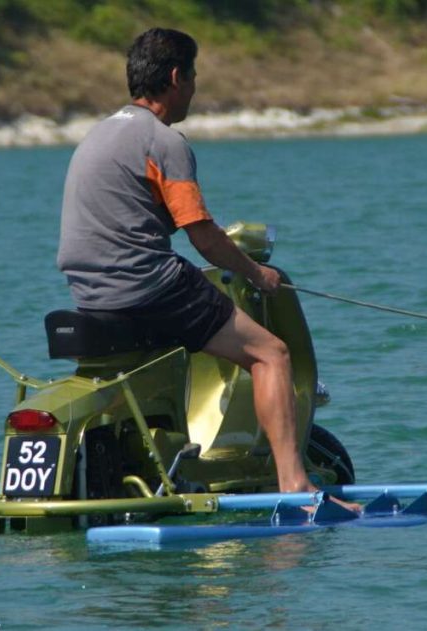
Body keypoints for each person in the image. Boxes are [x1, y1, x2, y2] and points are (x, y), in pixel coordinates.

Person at [57, 27, 359, 510]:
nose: (195, 89)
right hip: (147, 288)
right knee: (271, 355)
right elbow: (202, 236)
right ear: (176, 77)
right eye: (193, 77)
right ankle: (296, 485)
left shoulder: (99, 133)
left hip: (89, 294)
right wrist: (257, 274)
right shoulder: (163, 141)